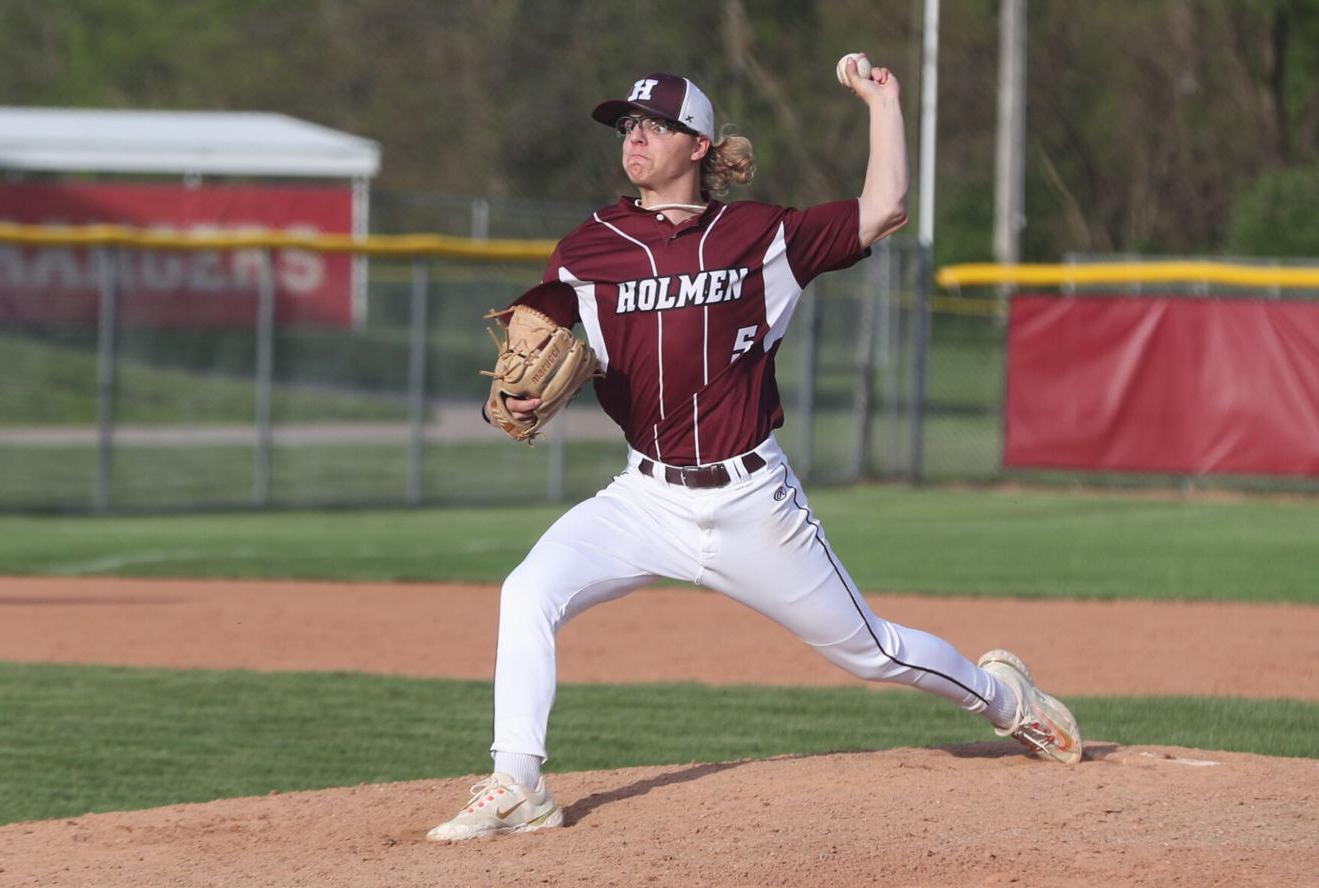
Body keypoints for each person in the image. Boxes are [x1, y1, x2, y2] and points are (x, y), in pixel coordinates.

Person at [427, 58, 1081, 842]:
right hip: (643, 499)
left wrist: (883, 103)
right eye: (626, 127)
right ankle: (518, 783)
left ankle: (1009, 701)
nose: (633, 138)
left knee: (873, 652)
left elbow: (884, 208)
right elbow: (556, 347)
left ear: (698, 144)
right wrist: (532, 393)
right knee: (528, 591)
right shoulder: (586, 249)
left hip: (749, 501)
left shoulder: (761, 236)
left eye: (652, 126)